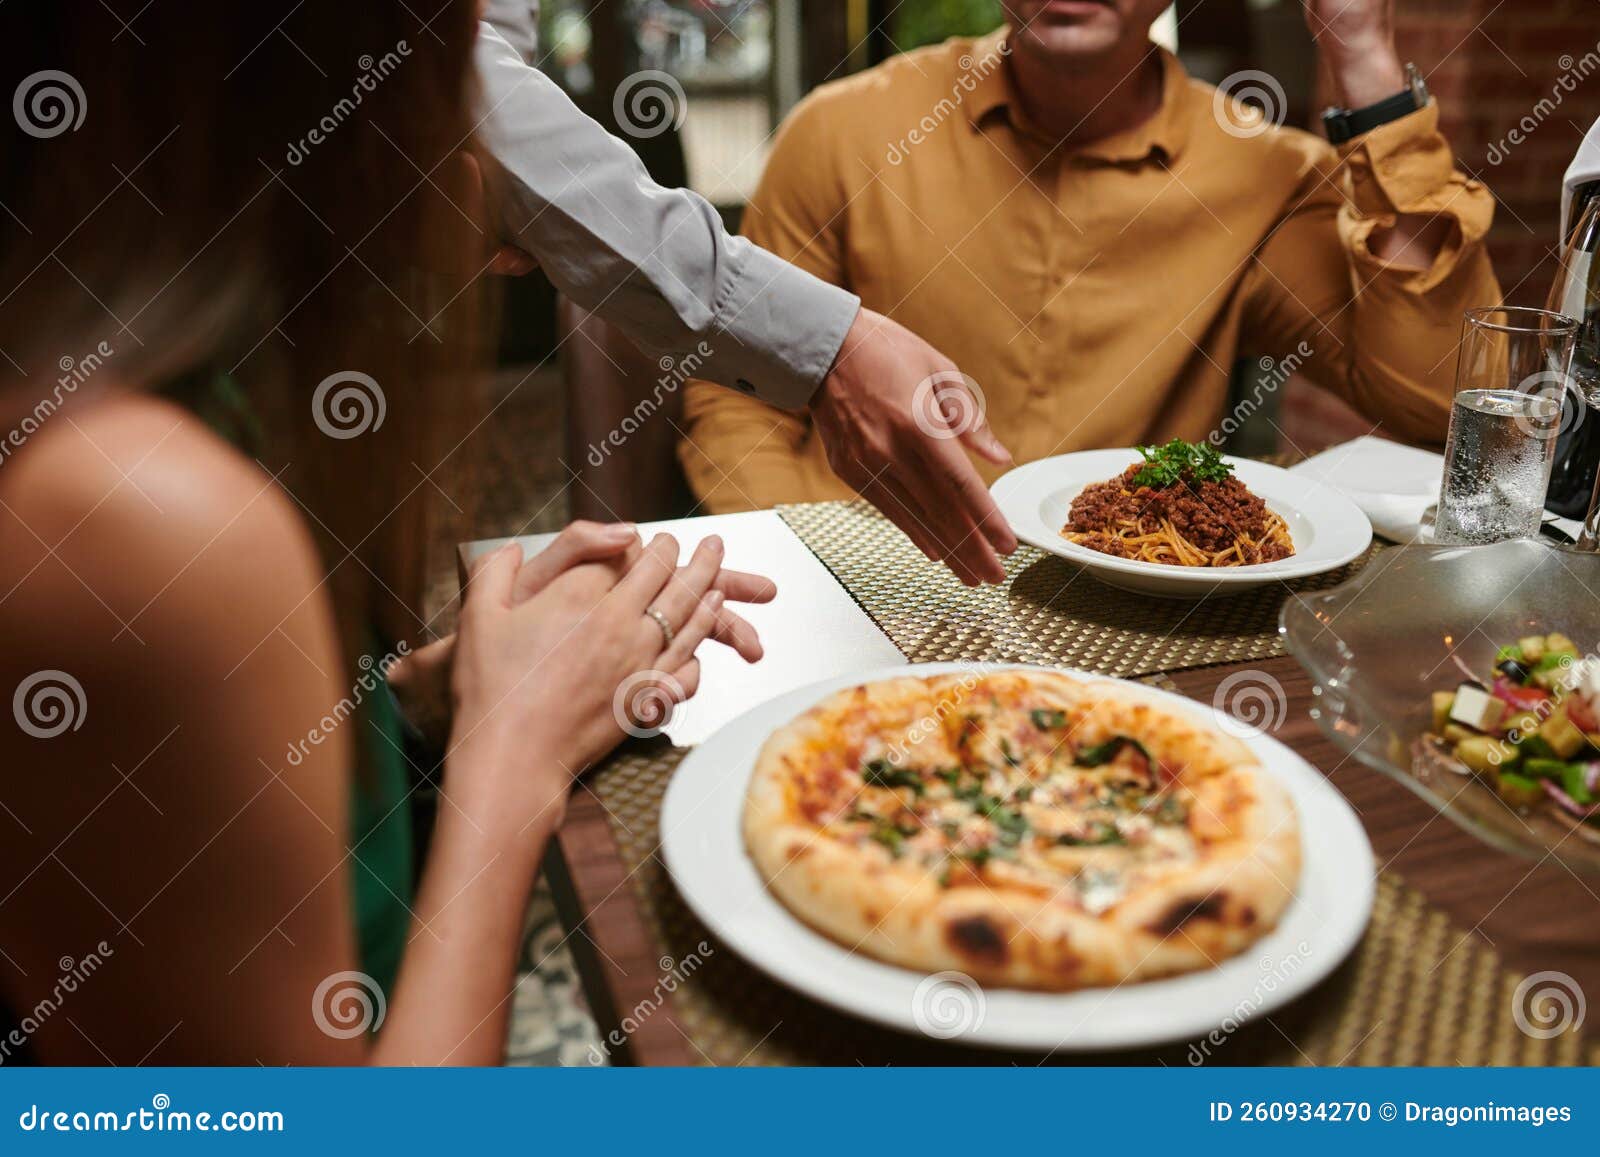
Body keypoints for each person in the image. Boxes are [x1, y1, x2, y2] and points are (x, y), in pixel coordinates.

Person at [0, 2, 770, 1065]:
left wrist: (420, 701)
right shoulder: (132, 516)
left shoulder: (186, 378)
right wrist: (516, 752)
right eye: (465, 71)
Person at [675, 0, 1501, 512]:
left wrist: (1363, 58)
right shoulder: (842, 132)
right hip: (854, 597)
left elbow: (1448, 405)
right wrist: (823, 574)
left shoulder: (1263, 177)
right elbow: (736, 407)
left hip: (1124, 613)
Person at [472, 3, 1017, 585]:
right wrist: (833, 348)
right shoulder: (844, 129)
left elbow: (481, 79)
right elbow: (471, 90)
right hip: (856, 579)